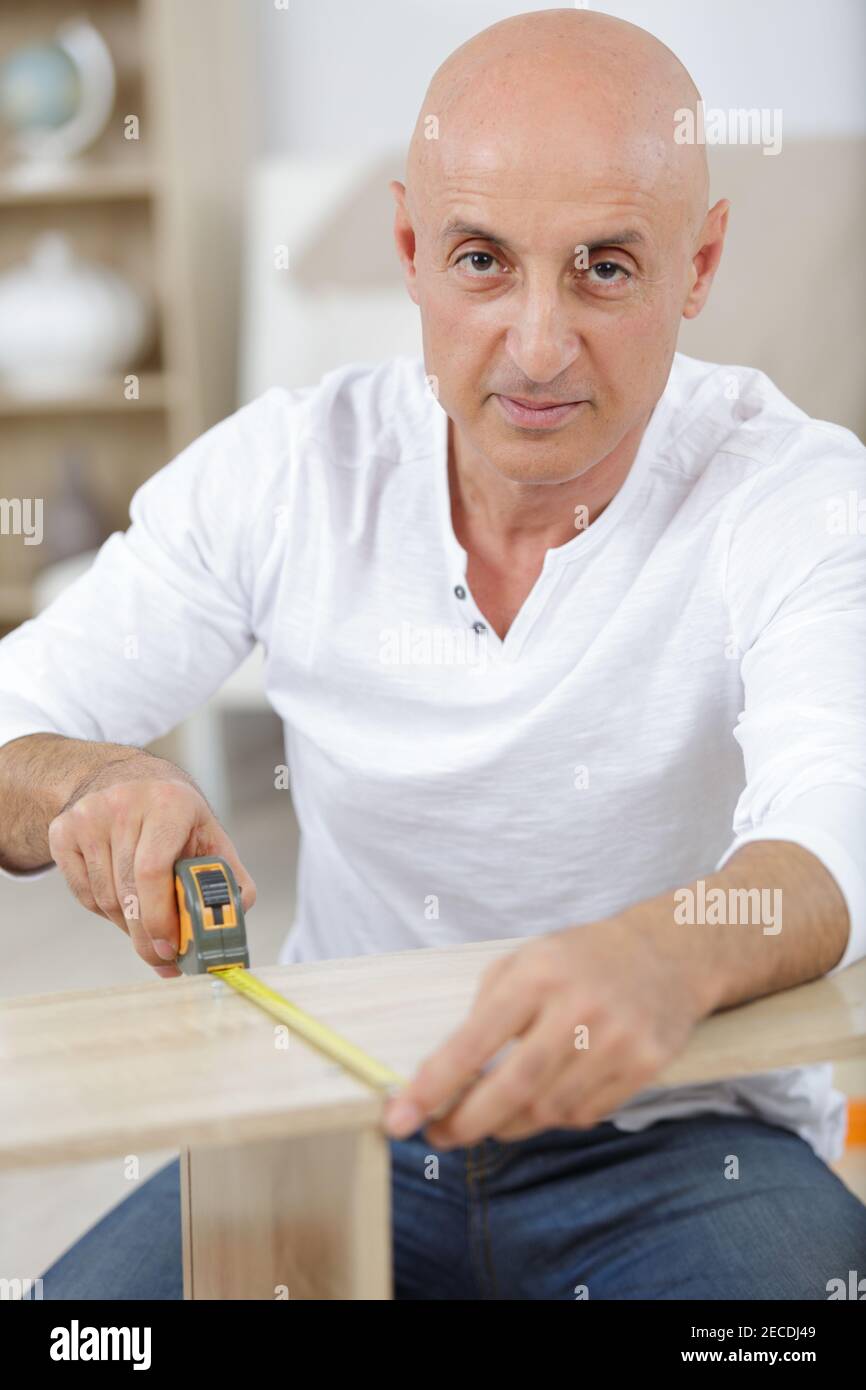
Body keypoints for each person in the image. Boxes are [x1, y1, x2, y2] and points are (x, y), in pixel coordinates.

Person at [1, 9, 864, 1300]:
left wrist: (659, 953)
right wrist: (83, 786)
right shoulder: (289, 469)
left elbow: (835, 824)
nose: (532, 345)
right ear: (409, 249)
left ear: (698, 265)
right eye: (479, 261)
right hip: (341, 1105)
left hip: (683, 1131)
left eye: (604, 269)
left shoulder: (792, 491)